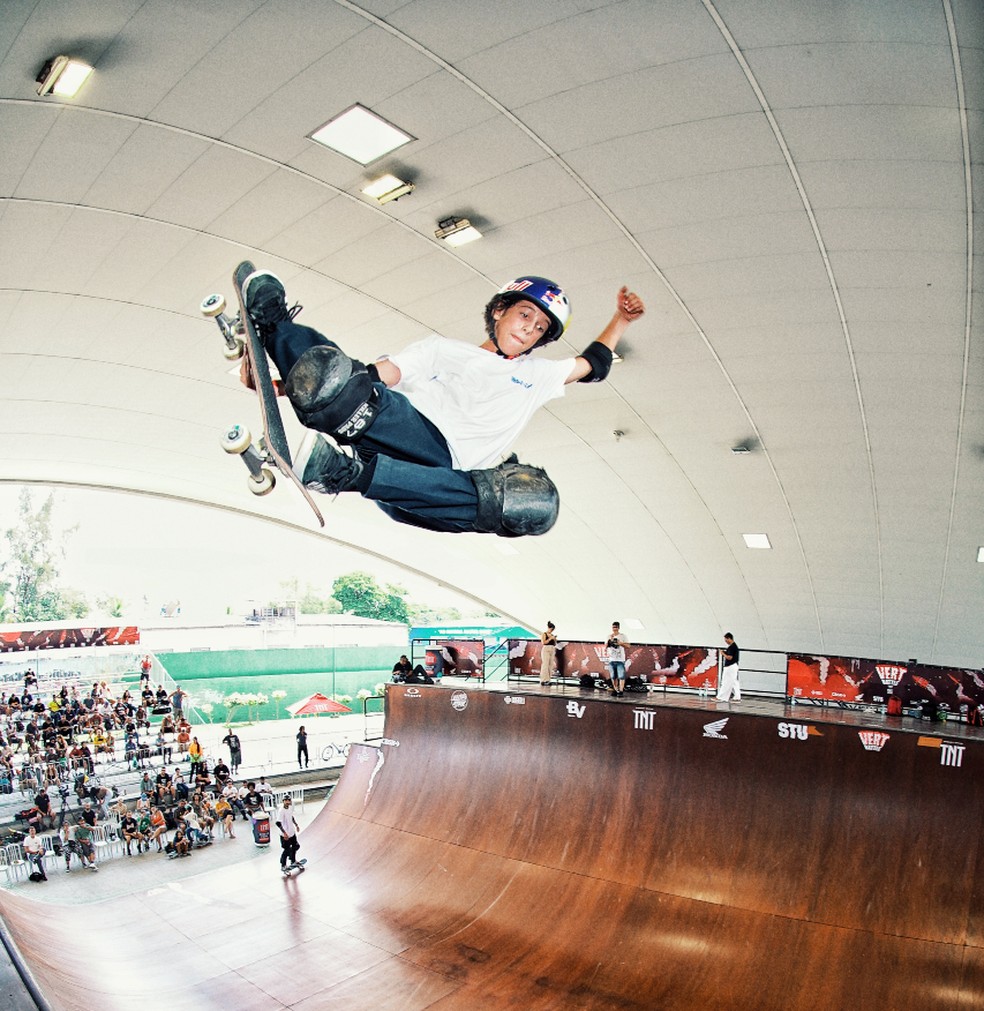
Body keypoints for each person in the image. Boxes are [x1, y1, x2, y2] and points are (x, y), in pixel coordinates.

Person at [239, 269, 645, 536]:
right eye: (524, 316)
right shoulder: (443, 350)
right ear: (500, 311)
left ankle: (342, 475)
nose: (529, 331)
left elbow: (595, 363)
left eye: (539, 328)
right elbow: (384, 372)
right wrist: (293, 383)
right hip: (405, 436)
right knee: (340, 379)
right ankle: (274, 325)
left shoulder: (540, 374)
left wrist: (621, 320)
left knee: (534, 503)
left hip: (441, 490)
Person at [275, 795, 301, 875]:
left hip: (291, 832)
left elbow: (291, 817)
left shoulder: (290, 808)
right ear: (283, 801)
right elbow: (278, 823)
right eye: (285, 800)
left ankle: (293, 860)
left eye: (288, 800)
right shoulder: (281, 810)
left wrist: (296, 825)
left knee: (296, 846)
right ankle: (283, 865)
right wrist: (284, 833)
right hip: (285, 835)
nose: (287, 802)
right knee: (287, 850)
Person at [605, 622, 629, 698]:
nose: (614, 629)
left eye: (615, 627)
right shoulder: (609, 636)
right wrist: (610, 641)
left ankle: (621, 690)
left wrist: (620, 643)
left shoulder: (622, 636)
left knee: (621, 676)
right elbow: (606, 646)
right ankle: (615, 689)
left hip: (620, 659)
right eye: (613, 627)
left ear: (618, 628)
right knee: (613, 676)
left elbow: (628, 646)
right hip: (612, 659)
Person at [717, 632, 741, 703]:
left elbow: (729, 657)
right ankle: (737, 696)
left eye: (726, 640)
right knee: (733, 682)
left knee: (726, 681)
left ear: (729, 638)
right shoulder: (734, 647)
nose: (726, 642)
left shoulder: (732, 647)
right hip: (733, 666)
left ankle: (722, 697)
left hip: (730, 666)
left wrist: (723, 653)